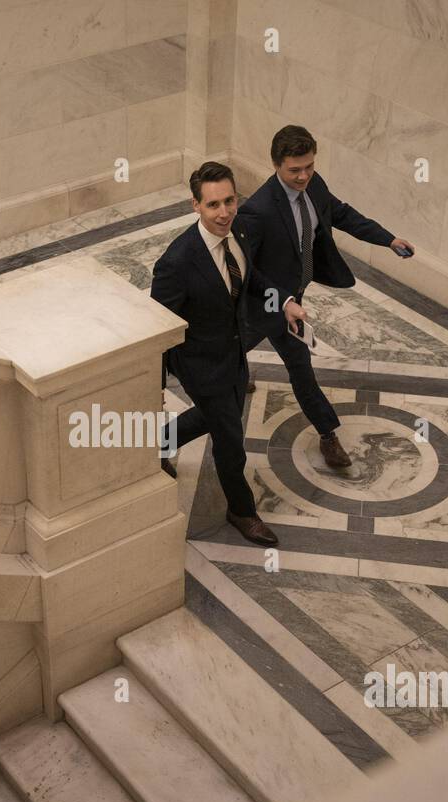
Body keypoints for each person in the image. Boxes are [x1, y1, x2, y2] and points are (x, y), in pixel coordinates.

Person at [238, 124, 416, 469]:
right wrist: (283, 302)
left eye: (309, 166)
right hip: (264, 303)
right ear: (276, 165)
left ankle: (324, 433)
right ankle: (327, 434)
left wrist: (388, 239)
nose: (303, 176)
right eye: (295, 170)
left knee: (279, 360)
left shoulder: (314, 185)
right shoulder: (258, 210)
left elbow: (342, 214)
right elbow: (247, 269)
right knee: (253, 364)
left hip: (292, 300)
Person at [150, 161, 302, 547]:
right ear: (195, 205)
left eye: (229, 201)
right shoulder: (177, 262)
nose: (224, 212)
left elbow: (252, 277)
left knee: (217, 417)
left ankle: (159, 443)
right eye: (213, 204)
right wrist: (155, 384)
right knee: (230, 439)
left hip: (233, 351)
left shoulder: (240, 231)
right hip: (200, 364)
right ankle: (242, 510)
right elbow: (158, 327)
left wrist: (284, 302)